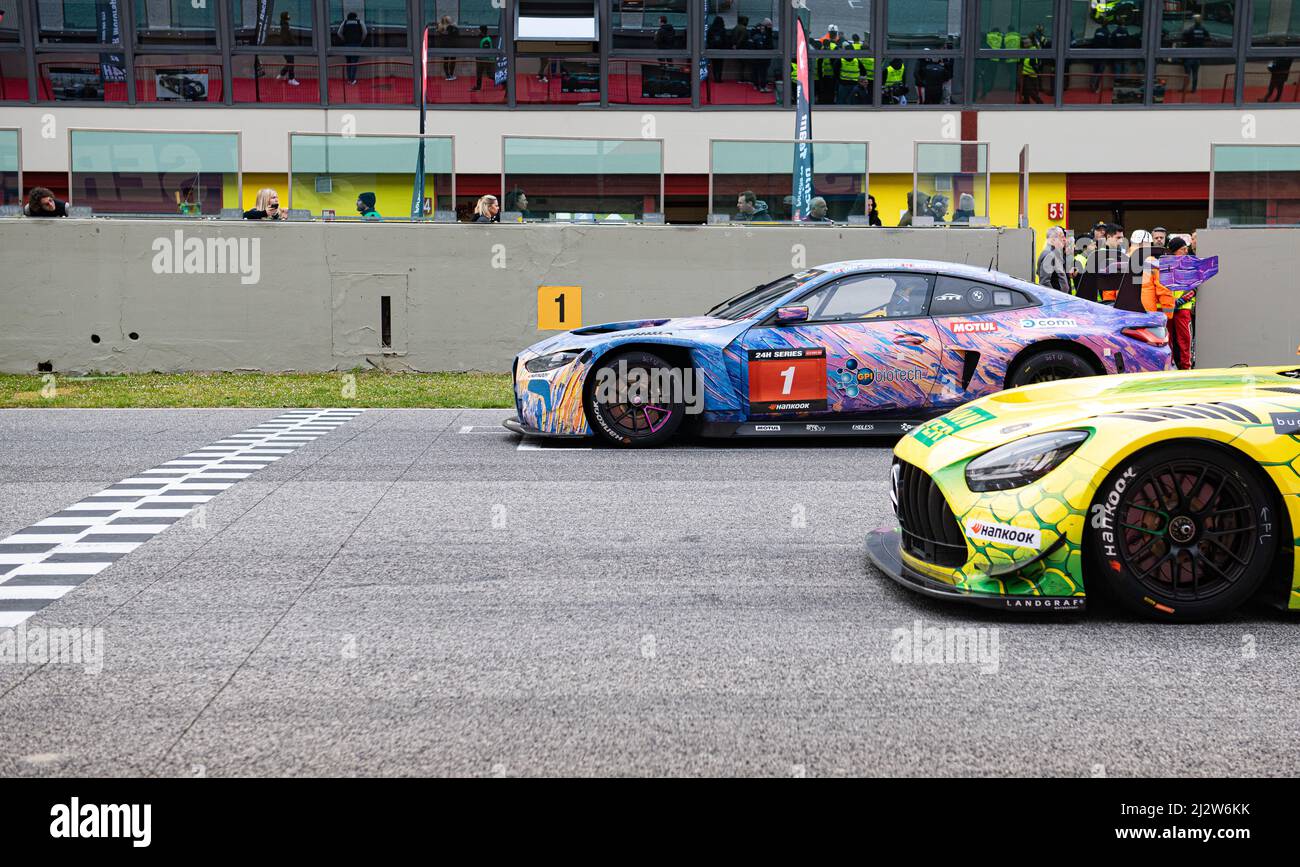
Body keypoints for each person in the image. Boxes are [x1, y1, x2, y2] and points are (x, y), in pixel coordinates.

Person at [1164, 237, 1196, 369]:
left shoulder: (1190, 263)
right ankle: (1169, 366)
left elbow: (1194, 286)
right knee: (1167, 339)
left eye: (1186, 248)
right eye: (1182, 249)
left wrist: (1183, 299)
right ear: (1174, 251)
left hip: (1183, 307)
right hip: (1167, 308)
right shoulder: (1164, 264)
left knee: (1185, 339)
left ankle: (1186, 367)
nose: (1186, 251)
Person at [1182, 14, 1210, 91]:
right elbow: (1208, 37)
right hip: (1198, 55)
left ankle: (1184, 88)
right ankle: (1194, 89)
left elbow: (1185, 35)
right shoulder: (1203, 29)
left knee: (1187, 74)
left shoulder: (1191, 29)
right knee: (1195, 73)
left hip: (1190, 55)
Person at [337, 11, 367, 86]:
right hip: (357, 44)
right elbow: (365, 32)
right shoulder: (360, 22)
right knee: (354, 62)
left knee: (348, 62)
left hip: (347, 44)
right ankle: (352, 79)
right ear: (356, 17)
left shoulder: (344, 22)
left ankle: (349, 79)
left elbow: (339, 33)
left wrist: (344, 39)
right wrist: (361, 40)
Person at [1037, 227, 1070, 292]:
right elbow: (1044, 283)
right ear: (1053, 239)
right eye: (1061, 237)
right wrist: (1056, 297)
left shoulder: (1054, 253)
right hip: (1056, 299)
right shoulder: (1049, 255)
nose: (1064, 239)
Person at [749, 18, 775, 92]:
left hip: (758, 56)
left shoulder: (756, 33)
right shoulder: (764, 34)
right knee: (762, 72)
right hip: (763, 56)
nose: (771, 26)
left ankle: (757, 85)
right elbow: (766, 45)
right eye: (769, 25)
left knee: (757, 71)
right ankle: (762, 86)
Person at [277, 12, 299, 86]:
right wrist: (293, 44)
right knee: (291, 62)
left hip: (287, 47)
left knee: (289, 62)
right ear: (285, 17)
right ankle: (291, 79)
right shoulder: (285, 27)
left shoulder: (285, 25)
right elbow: (286, 38)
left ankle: (282, 74)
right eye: (288, 15)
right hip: (287, 47)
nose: (289, 16)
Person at [436, 15, 459, 81]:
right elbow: (456, 34)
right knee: (452, 60)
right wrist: (455, 27)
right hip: (452, 46)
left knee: (446, 60)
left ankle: (448, 75)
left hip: (445, 46)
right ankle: (450, 75)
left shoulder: (441, 27)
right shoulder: (451, 27)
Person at [706, 16, 728, 82]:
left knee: (714, 64)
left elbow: (708, 39)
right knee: (720, 65)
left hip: (713, 49)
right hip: (721, 49)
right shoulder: (722, 29)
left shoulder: (711, 29)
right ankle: (719, 78)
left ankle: (715, 78)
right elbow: (725, 40)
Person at [472, 25, 493, 91]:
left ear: (481, 31)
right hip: (480, 60)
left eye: (479, 30)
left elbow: (485, 51)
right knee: (479, 74)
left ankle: (504, 83)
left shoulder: (486, 40)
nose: (478, 31)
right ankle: (478, 87)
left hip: (486, 60)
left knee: (490, 75)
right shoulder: (482, 38)